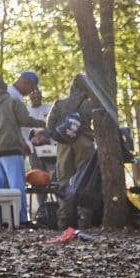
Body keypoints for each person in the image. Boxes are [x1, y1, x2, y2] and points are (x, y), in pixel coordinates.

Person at [0, 76, 40, 224]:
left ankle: (0, 220)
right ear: (3, 88)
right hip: (11, 151)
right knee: (17, 188)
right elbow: (25, 120)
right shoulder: (13, 102)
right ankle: (21, 220)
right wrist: (43, 123)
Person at [46, 74, 97, 230]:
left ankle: (64, 221)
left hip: (64, 146)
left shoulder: (60, 104)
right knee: (85, 181)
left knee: (64, 182)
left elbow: (50, 127)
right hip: (85, 146)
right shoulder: (90, 105)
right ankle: (84, 219)